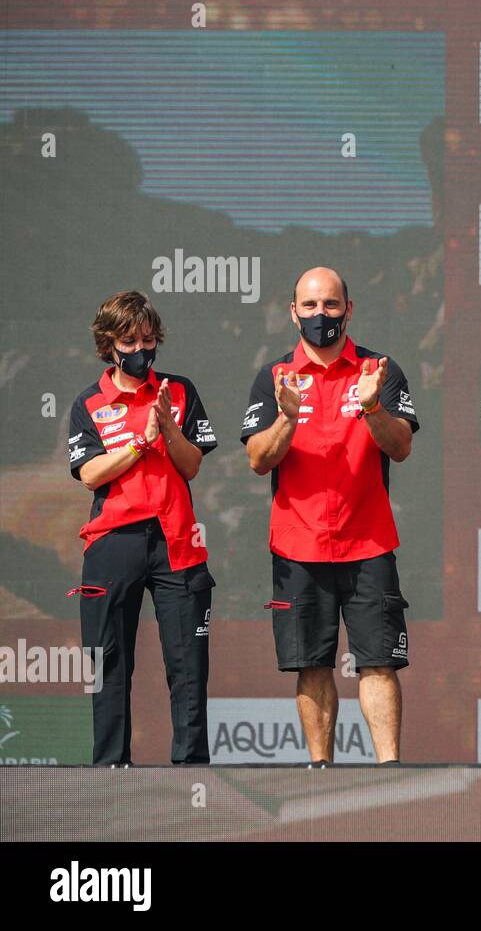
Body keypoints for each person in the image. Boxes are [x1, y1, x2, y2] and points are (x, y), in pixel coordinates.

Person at [241, 267, 418, 765]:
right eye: (312, 306)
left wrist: (372, 410)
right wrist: (286, 417)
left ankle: (390, 772)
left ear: (349, 309)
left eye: (332, 305)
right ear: (293, 312)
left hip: (368, 543)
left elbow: (400, 447)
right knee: (311, 666)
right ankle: (321, 771)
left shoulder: (379, 370)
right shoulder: (274, 376)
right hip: (299, 545)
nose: (323, 316)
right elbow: (258, 459)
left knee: (380, 664)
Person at [67, 290, 218, 766]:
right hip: (113, 542)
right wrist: (139, 442)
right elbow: (89, 473)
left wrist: (169, 429)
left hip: (176, 539)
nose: (141, 350)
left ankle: (192, 770)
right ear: (108, 344)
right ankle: (111, 767)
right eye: (129, 341)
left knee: (187, 664)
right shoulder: (89, 402)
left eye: (149, 340)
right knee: (108, 662)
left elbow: (191, 466)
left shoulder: (179, 389)